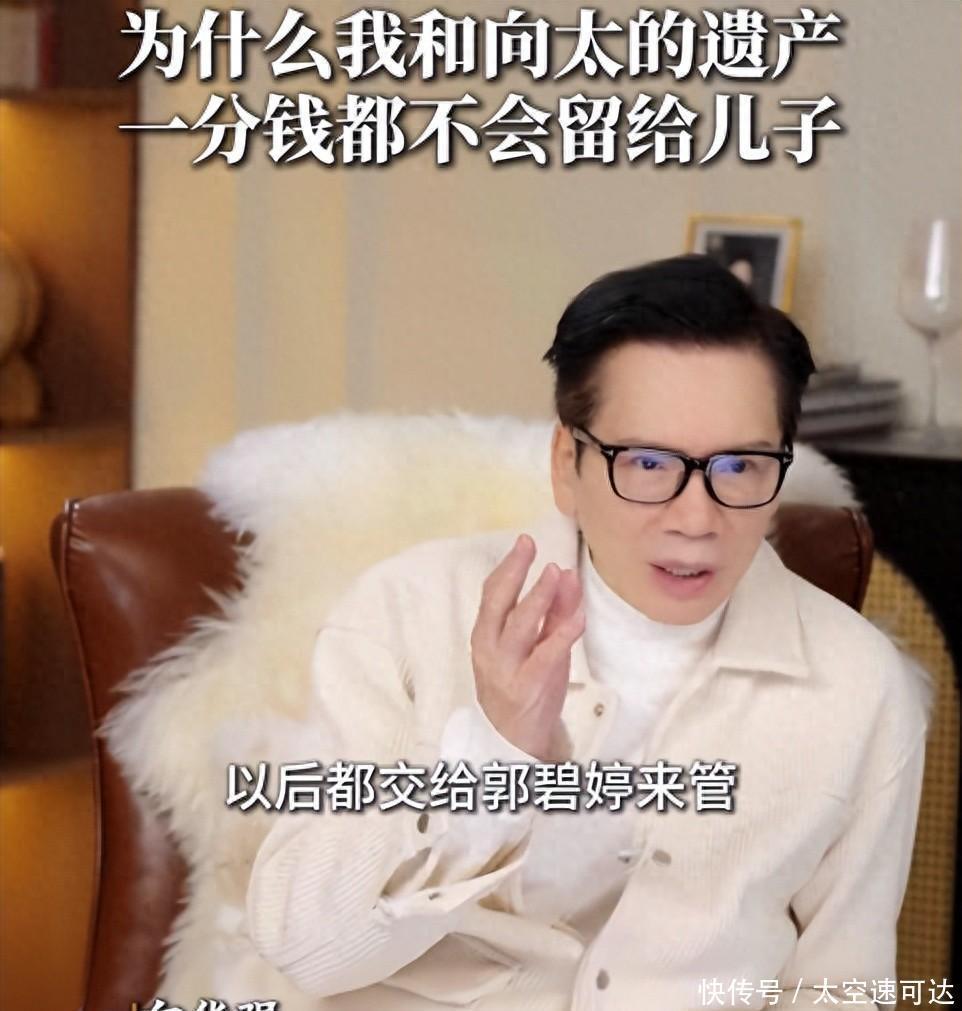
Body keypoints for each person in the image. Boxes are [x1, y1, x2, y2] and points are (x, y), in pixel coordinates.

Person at [245, 254, 928, 1010]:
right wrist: (496, 757)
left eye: (740, 465)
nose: (696, 518)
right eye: (647, 462)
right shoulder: (407, 611)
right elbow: (306, 948)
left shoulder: (861, 686)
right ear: (566, 464)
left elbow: (842, 988)